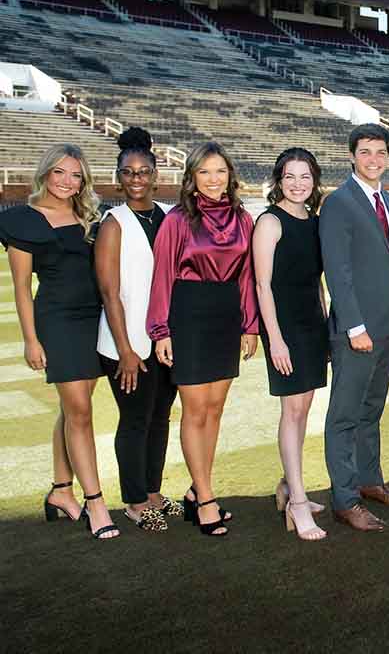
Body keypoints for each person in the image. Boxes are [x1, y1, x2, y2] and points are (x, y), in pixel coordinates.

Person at [0, 144, 118, 540]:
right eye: (60, 173)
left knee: (73, 409)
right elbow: (20, 287)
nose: (68, 182)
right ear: (45, 174)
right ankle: (95, 502)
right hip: (58, 321)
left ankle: (60, 490)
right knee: (80, 411)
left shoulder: (90, 216)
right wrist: (31, 340)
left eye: (76, 175)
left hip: (94, 319)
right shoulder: (23, 220)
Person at [147, 142, 259, 537]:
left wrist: (250, 325)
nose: (214, 180)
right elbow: (161, 276)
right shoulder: (177, 220)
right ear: (192, 178)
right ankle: (207, 498)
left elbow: (247, 276)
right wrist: (161, 330)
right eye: (205, 172)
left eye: (220, 172)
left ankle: (198, 490)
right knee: (195, 410)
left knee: (215, 408)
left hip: (227, 313)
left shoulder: (243, 219)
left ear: (230, 176)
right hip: (188, 314)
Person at [320, 124, 389, 533]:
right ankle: (345, 498)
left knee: (371, 409)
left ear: (388, 156)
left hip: (388, 325)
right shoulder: (339, 203)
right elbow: (337, 273)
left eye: (380, 152)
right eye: (365, 152)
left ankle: (370, 479)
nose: (373, 159)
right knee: (344, 414)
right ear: (352, 156)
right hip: (357, 330)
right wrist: (355, 326)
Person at [94, 128, 177, 533]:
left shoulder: (167, 214)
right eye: (129, 172)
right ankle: (133, 500)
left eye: (144, 171)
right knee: (135, 420)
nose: (137, 178)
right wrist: (126, 350)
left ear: (156, 174)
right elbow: (110, 294)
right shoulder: (114, 223)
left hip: (163, 341)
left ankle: (153, 491)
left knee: (160, 416)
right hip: (126, 343)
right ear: (119, 178)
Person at [252, 148, 330, 541]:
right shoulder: (269, 221)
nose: (298, 184)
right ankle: (298, 502)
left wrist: (326, 327)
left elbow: (316, 283)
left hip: (312, 326)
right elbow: (262, 284)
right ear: (278, 181)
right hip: (284, 328)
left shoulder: (314, 222)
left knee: (305, 408)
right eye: (290, 177)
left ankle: (289, 486)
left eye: (305, 177)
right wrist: (276, 340)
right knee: (293, 410)